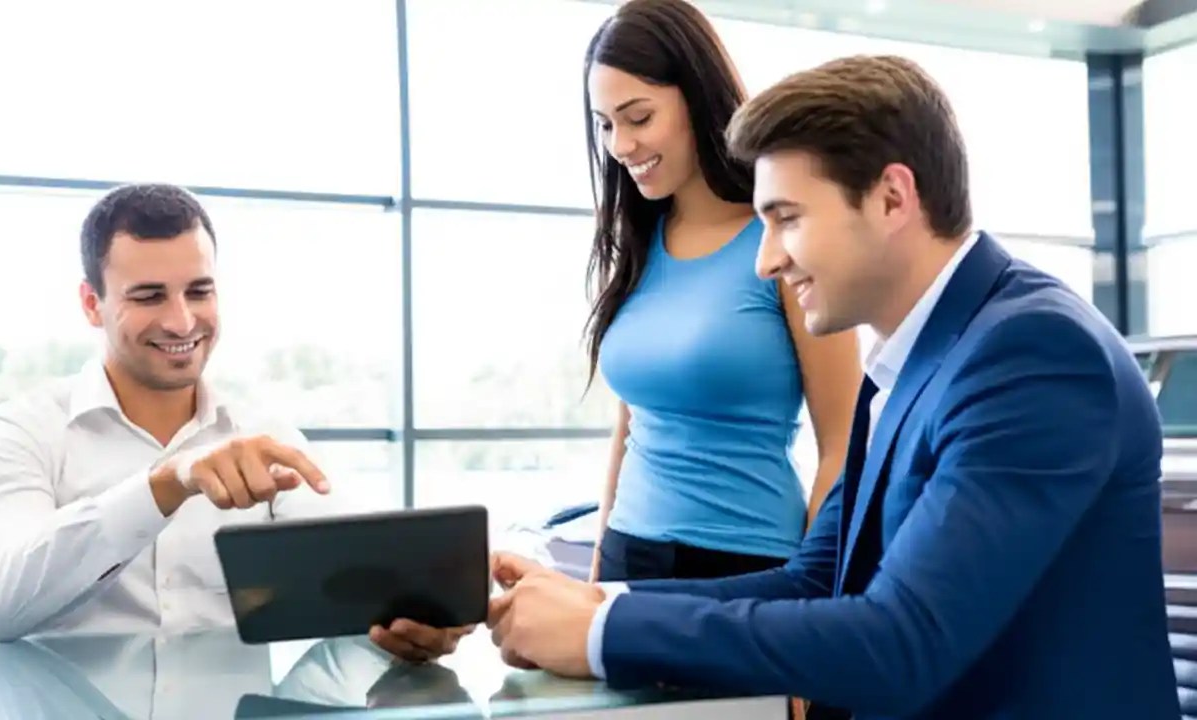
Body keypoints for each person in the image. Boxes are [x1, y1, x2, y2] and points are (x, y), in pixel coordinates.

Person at [486, 55, 1180, 719]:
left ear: (891, 198)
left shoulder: (1032, 355)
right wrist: (592, 603)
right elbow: (814, 581)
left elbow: (903, 641)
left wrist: (603, 631)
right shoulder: (912, 361)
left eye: (786, 218)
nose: (765, 260)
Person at [0, 184, 465, 662]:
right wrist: (165, 484)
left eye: (199, 291)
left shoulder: (267, 435)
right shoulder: (20, 432)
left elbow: (354, 579)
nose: (181, 321)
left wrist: (409, 619)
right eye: (149, 296)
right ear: (93, 304)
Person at [582, 0, 861, 583]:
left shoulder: (781, 241)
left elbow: (841, 442)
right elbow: (629, 428)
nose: (619, 145)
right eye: (605, 124)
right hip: (631, 560)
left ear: (696, 96)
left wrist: (813, 588)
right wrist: (597, 573)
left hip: (748, 567)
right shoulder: (636, 245)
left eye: (638, 117)